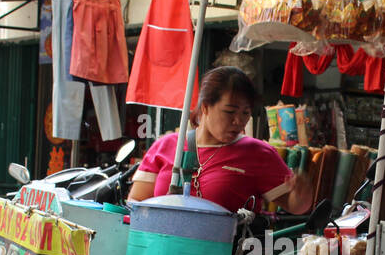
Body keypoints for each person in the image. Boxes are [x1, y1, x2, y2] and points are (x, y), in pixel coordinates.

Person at [128, 66, 313, 214]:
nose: (238, 121)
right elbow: (135, 203)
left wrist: (301, 194)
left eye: (245, 113)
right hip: (167, 253)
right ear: (206, 107)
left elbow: (294, 206)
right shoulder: (166, 146)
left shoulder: (258, 153)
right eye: (230, 111)